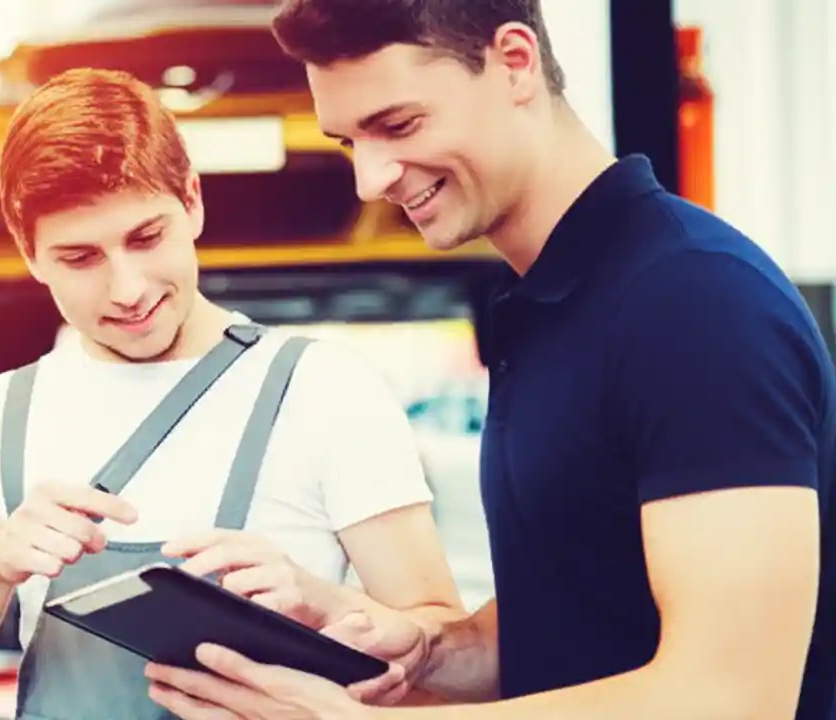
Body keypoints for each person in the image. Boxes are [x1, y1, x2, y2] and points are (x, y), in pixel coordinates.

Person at [144, 1, 836, 719]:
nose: (371, 179)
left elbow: (734, 698)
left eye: (398, 125)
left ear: (514, 62)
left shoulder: (694, 301)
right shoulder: (546, 307)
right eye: (351, 143)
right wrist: (425, 644)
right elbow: (583, 621)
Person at [0, 67, 467, 718]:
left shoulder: (324, 389)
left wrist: (317, 608)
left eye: (146, 237)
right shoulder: (2, 416)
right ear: (29, 252)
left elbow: (447, 666)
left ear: (191, 201)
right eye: (81, 259)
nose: (128, 288)